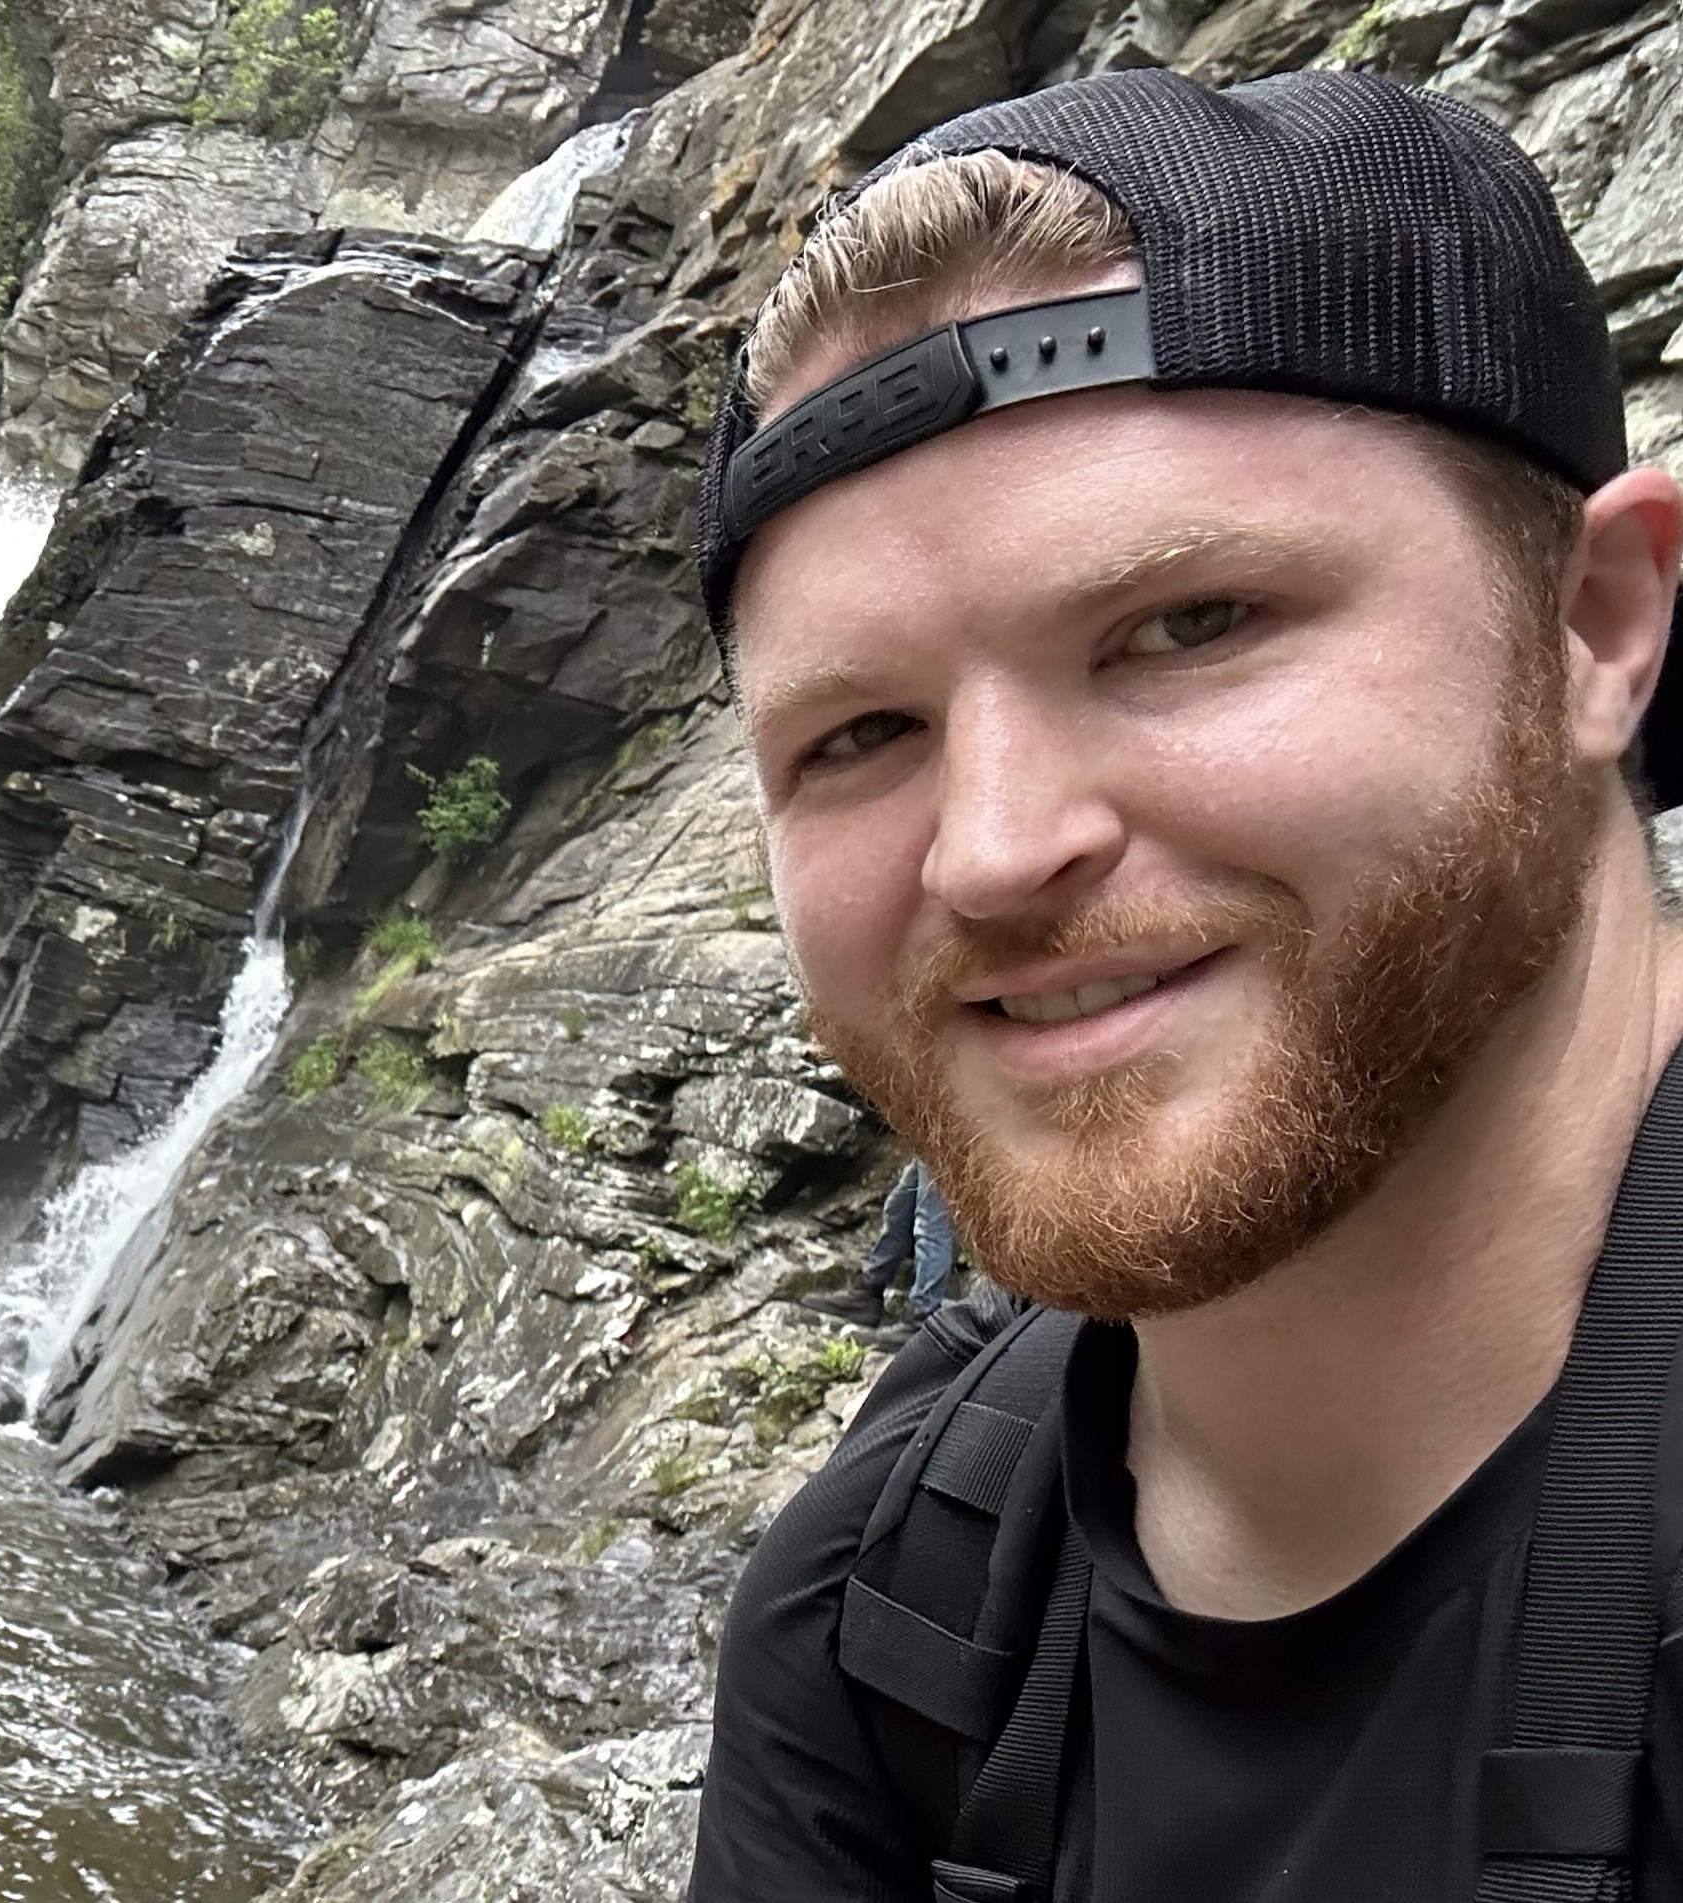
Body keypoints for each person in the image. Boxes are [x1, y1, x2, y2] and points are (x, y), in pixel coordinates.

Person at [685, 66, 1683, 1903]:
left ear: (1598, 624)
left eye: (1185, 625)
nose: (991, 847)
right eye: (859, 733)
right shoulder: (882, 1610)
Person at [803, 1156, 958, 1333]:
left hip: (951, 1142)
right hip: (936, 1139)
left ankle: (921, 1318)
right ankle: (868, 1292)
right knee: (899, 1209)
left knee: (931, 1225)